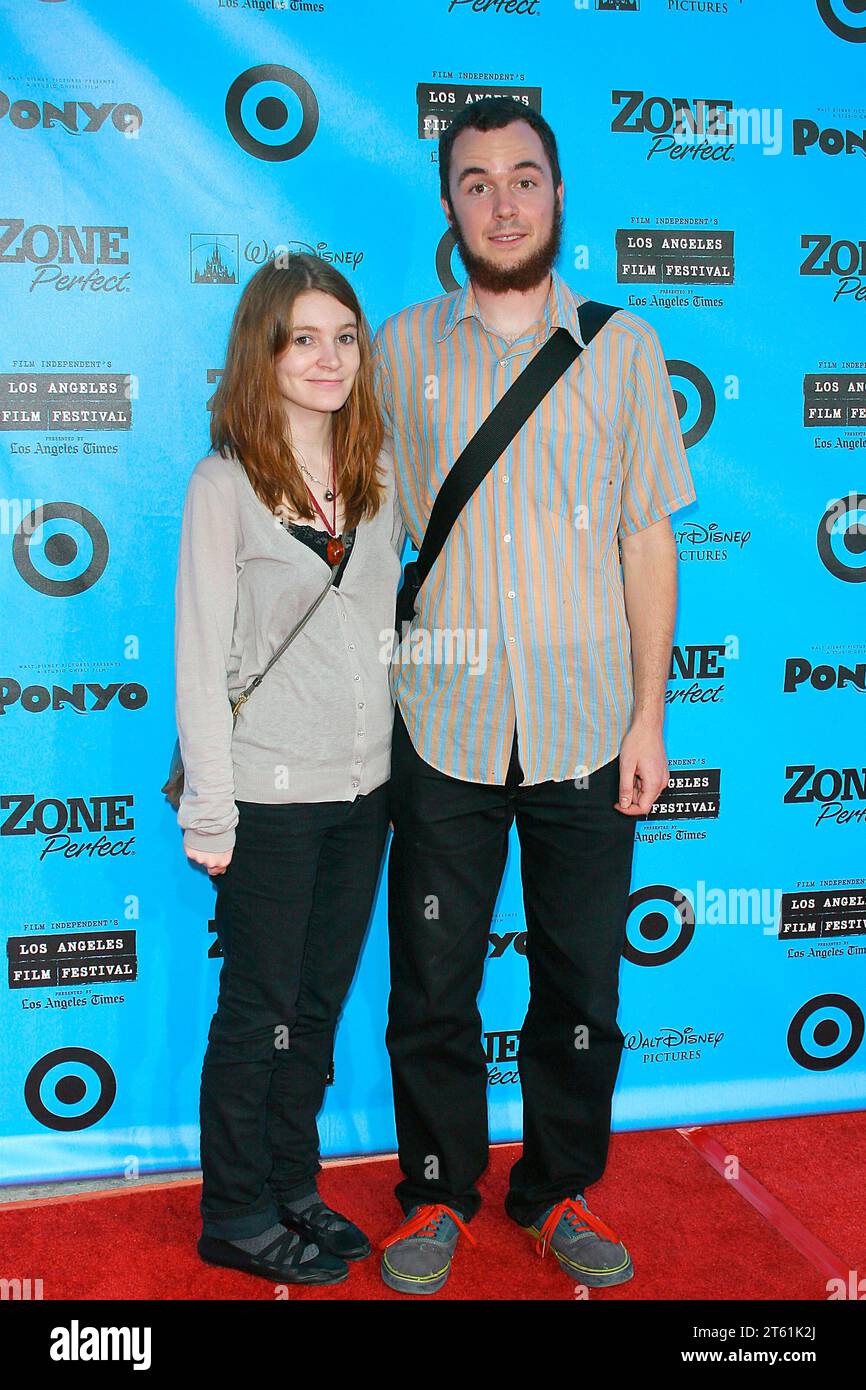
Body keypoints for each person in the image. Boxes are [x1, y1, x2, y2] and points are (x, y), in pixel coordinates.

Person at [372, 96, 697, 1294]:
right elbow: (371, 533)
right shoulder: (399, 348)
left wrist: (650, 715)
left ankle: (554, 1185)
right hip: (440, 726)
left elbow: (645, 546)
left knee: (580, 987)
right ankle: (434, 1189)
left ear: (557, 195)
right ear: (446, 206)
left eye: (522, 177)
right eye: (474, 181)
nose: (501, 201)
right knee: (432, 982)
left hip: (584, 729)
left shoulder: (623, 347)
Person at [172, 252, 404, 1286]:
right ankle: (235, 1210)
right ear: (261, 353)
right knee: (257, 1009)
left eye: (344, 337)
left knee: (313, 1006)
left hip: (364, 790)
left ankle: (292, 1182)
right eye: (303, 338)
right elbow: (197, 655)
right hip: (264, 797)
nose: (328, 358)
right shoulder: (222, 486)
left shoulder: (379, 474)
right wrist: (209, 811)